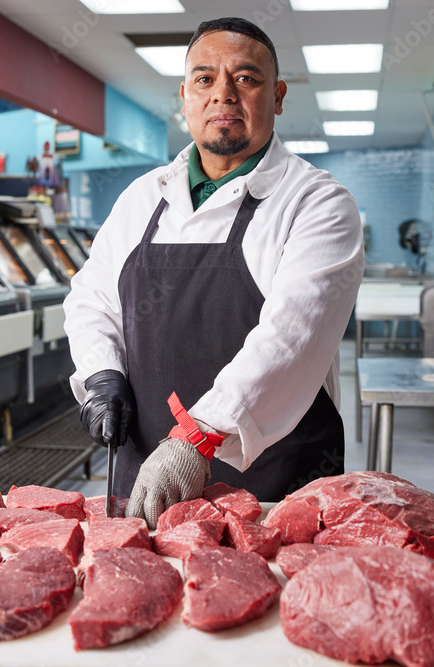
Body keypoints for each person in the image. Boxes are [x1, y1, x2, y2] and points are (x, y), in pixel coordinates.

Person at [63, 16, 364, 528]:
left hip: (274, 492)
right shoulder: (142, 197)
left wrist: (199, 435)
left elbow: (291, 337)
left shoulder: (316, 202)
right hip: (145, 478)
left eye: (245, 78)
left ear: (278, 95)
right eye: (205, 79)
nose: (222, 93)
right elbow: (91, 300)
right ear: (185, 96)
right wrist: (102, 374)